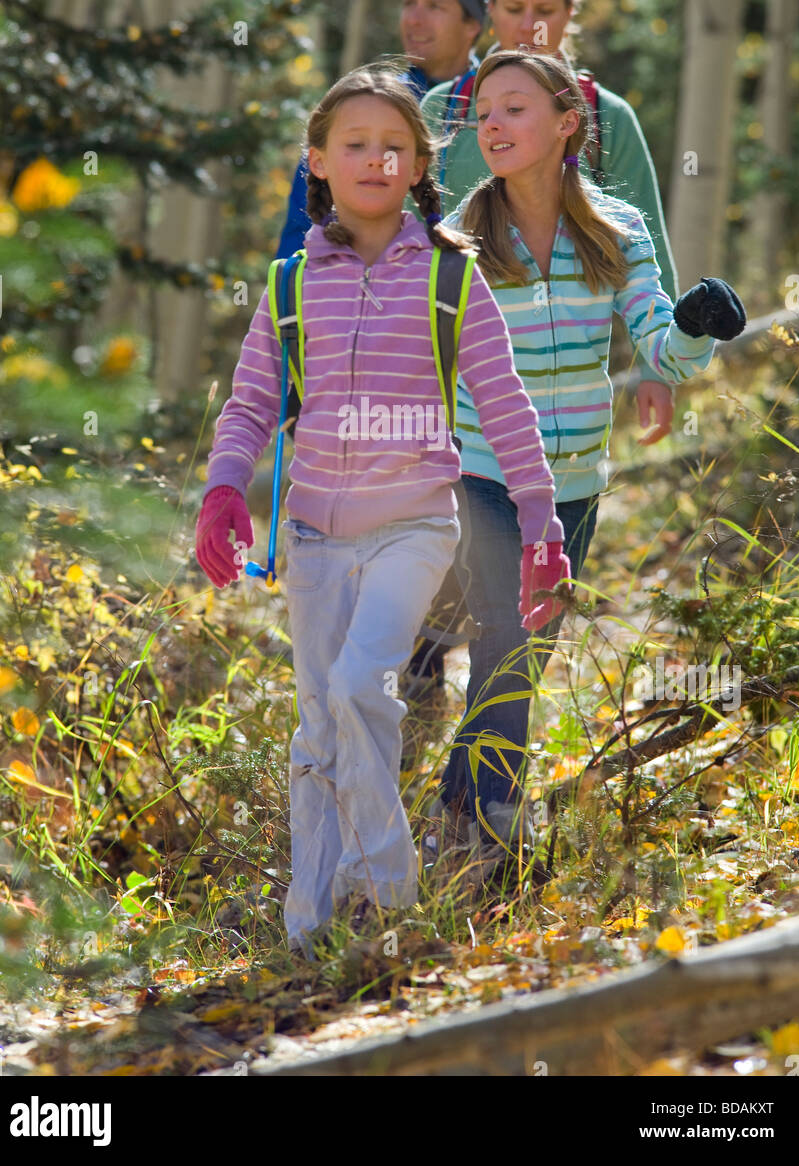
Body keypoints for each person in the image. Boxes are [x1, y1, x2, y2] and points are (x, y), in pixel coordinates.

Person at [195, 64, 570, 954]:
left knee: (363, 686)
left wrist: (540, 521)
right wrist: (221, 489)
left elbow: (506, 402)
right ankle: (311, 924)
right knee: (319, 722)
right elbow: (251, 401)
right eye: (354, 145)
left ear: (417, 165)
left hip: (414, 525)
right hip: (315, 535)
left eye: (393, 146)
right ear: (316, 161)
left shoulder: (452, 278)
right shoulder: (290, 284)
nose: (374, 159)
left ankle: (389, 897)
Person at [428, 49, 745, 879]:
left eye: (514, 109)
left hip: (575, 488)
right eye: (484, 113)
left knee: (521, 656)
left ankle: (453, 822)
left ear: (567, 123)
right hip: (486, 473)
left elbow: (663, 355)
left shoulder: (617, 231)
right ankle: (492, 844)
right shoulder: (459, 238)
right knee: (506, 638)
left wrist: (694, 324)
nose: (492, 125)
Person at [422, 0, 678, 448]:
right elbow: (406, 240)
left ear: (569, 15)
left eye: (546, 9)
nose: (528, 24)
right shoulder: (441, 111)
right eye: (514, 6)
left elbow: (647, 240)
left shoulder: (608, 117)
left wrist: (658, 369)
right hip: (456, 382)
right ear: (490, 9)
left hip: (570, 393)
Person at [275, 0, 487, 262]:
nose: (415, 19)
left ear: (473, 25)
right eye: (409, 4)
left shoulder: (494, 106)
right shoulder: (366, 103)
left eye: (435, 6)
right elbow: (302, 222)